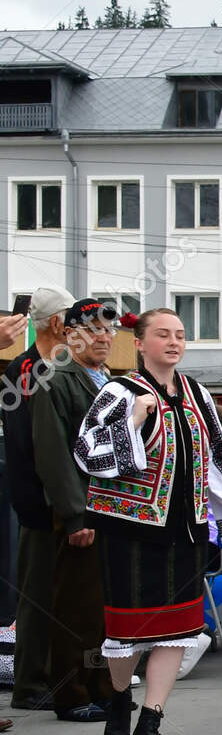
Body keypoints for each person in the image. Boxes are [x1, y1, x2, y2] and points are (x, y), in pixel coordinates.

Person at [74, 309, 222, 735]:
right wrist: (133, 422)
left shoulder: (198, 393)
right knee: (127, 633)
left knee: (176, 630)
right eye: (163, 334)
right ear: (139, 343)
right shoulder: (120, 392)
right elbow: (85, 451)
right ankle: (121, 697)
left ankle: (151, 723)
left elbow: (219, 461)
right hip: (131, 530)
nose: (174, 342)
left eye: (180, 335)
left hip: (187, 529)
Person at [32, 298, 121, 722]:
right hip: (82, 509)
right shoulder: (53, 378)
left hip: (113, 510)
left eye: (108, 329)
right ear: (70, 335)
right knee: (76, 607)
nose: (103, 337)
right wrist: (73, 514)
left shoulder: (110, 380)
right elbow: (52, 454)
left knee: (105, 606)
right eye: (91, 329)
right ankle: (71, 693)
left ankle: (103, 687)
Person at [5, 284, 74, 712]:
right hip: (39, 502)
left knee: (61, 592)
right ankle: (30, 684)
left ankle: (54, 674)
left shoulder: (61, 365)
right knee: (37, 594)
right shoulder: (27, 369)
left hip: (60, 500)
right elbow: (24, 443)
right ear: (56, 322)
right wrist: (40, 500)